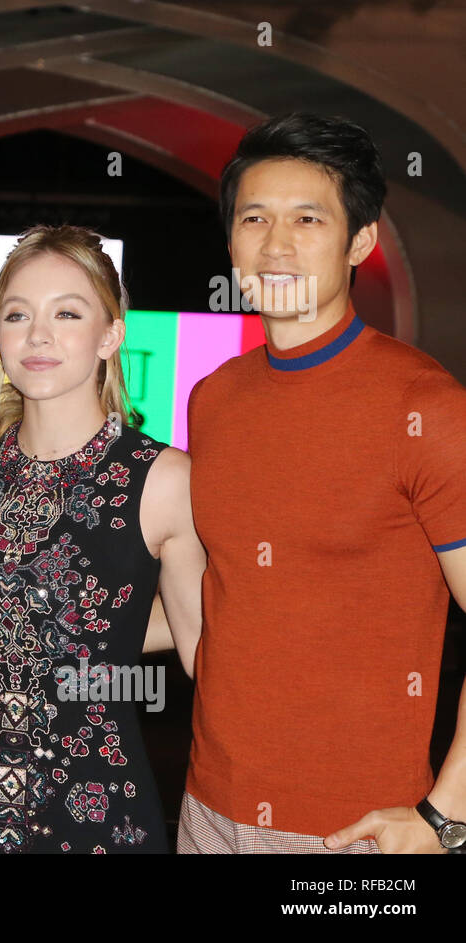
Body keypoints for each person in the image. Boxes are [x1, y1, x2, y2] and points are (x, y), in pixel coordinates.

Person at [180, 113, 466, 854]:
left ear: (360, 241)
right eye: (255, 218)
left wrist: (446, 814)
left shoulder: (425, 406)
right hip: (206, 808)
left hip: (354, 829)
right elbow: (229, 592)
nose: (276, 244)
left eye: (308, 218)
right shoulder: (212, 399)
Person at [0, 224, 203, 854]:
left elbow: (210, 654)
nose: (38, 335)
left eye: (68, 312)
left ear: (110, 334)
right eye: (17, 314)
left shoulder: (165, 479)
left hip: (95, 819)